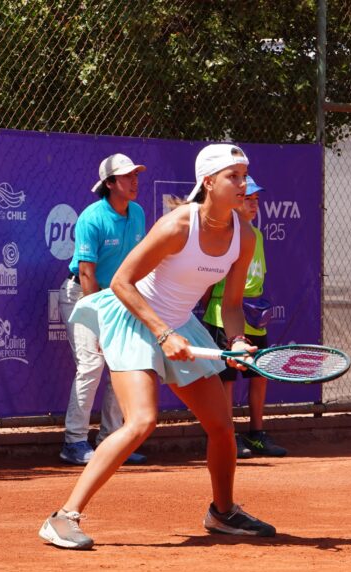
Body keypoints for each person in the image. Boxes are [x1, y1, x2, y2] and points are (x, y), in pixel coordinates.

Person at [39, 143, 276, 550]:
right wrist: (164, 334)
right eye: (233, 177)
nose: (243, 185)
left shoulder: (245, 237)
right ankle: (63, 517)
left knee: (221, 426)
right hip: (134, 318)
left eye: (244, 176)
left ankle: (222, 511)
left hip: (180, 322)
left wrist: (237, 339)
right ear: (208, 182)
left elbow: (232, 305)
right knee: (141, 421)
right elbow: (121, 282)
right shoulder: (178, 225)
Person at [57, 153, 148, 466]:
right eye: (127, 177)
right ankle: (74, 442)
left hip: (118, 297)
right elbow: (86, 274)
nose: (135, 181)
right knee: (91, 365)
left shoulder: (137, 214)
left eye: (136, 175)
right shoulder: (91, 218)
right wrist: (96, 320)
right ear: (110, 183)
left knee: (121, 367)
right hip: (83, 295)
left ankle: (112, 441)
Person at [201, 175, 287, 459]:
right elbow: (212, 281)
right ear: (234, 203)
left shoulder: (256, 235)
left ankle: (257, 434)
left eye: (256, 200)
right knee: (226, 379)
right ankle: (228, 436)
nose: (253, 204)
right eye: (247, 199)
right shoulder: (225, 235)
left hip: (254, 315)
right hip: (222, 315)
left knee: (259, 375)